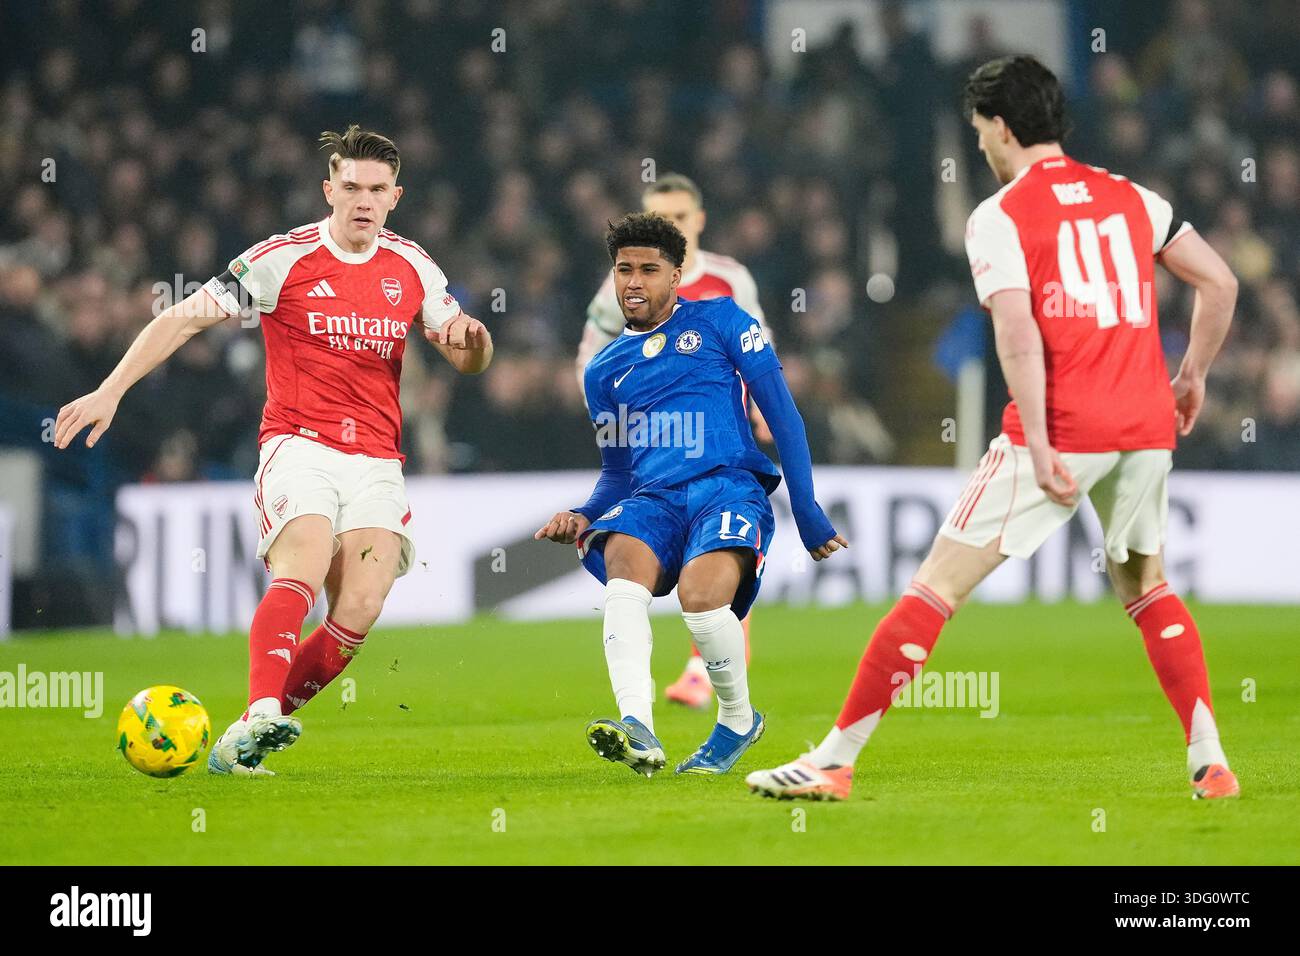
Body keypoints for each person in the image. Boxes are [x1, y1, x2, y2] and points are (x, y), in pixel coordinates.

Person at [746, 55, 1241, 802]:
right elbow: (1221, 281)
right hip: (1145, 427)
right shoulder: (1131, 198)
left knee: (934, 589)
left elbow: (1017, 333)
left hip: (1066, 426)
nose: (977, 144)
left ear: (1001, 127)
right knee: (1149, 590)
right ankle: (1211, 762)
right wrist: (1192, 374)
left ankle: (834, 761)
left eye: (979, 130)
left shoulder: (1001, 215)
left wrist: (1039, 442)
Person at [55, 126, 493, 775]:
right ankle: (265, 709)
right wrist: (110, 389)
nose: (363, 200)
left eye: (377, 189)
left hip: (377, 459)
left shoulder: (413, 267)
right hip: (299, 444)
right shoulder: (280, 259)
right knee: (305, 565)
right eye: (351, 187)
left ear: (395, 196)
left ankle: (241, 738)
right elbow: (184, 317)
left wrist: (474, 340)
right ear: (329, 189)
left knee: (361, 607)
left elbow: (467, 360)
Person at [537, 212, 846, 777]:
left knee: (701, 601)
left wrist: (806, 509)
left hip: (727, 487)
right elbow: (619, 474)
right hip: (653, 500)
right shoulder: (603, 371)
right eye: (623, 270)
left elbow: (784, 417)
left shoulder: (723, 320)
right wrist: (583, 513)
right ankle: (640, 729)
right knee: (624, 573)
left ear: (677, 275)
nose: (634, 281)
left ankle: (736, 719)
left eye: (649, 270)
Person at [577, 173, 771, 711]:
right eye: (659, 217)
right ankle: (674, 697)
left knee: (721, 546)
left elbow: (760, 351)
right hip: (654, 453)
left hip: (719, 443)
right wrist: (606, 419)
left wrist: (761, 410)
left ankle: (702, 671)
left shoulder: (731, 281)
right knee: (645, 560)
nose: (669, 226)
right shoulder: (623, 286)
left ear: (698, 221)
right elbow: (590, 354)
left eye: (678, 218)